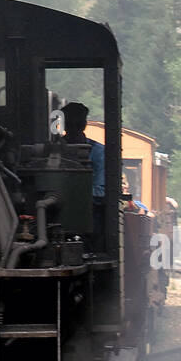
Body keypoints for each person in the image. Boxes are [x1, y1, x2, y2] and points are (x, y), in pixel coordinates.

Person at [62, 100, 105, 249]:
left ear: (83, 124)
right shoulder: (52, 150)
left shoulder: (99, 152)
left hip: (90, 220)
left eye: (77, 124)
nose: (73, 129)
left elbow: (101, 192)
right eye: (70, 124)